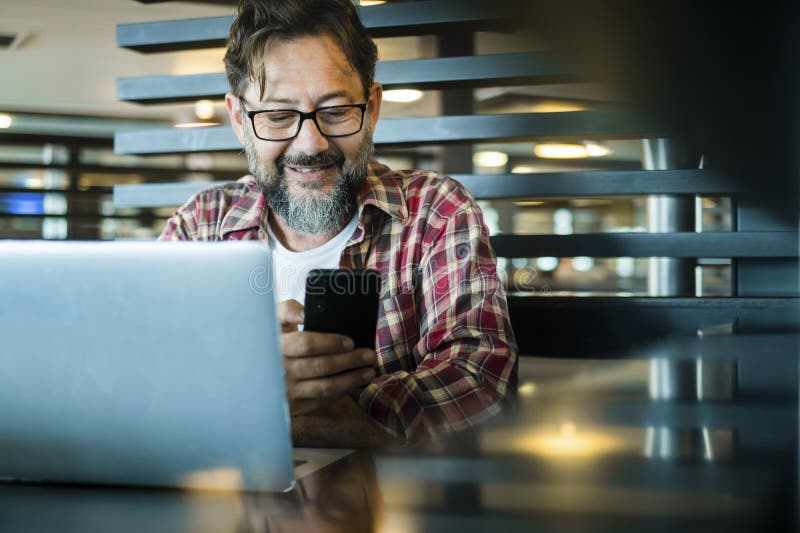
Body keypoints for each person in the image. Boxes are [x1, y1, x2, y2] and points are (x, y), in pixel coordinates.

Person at [159, 0, 517, 447]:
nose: (311, 144)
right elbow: (146, 377)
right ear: (238, 120)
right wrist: (244, 390)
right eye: (277, 115)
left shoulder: (435, 212)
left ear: (372, 107)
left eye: (335, 110)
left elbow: (480, 380)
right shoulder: (200, 225)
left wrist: (278, 404)